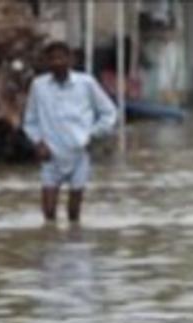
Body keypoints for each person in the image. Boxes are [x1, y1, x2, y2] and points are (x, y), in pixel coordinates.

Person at [22, 41, 118, 229]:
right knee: (48, 212)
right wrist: (38, 142)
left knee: (74, 212)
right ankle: (50, 241)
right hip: (51, 154)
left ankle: (75, 241)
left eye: (61, 58)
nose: (57, 62)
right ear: (46, 62)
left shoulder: (86, 83)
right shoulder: (38, 86)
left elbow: (109, 112)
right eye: (52, 59)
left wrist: (93, 135)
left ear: (71, 60)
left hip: (79, 152)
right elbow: (30, 121)